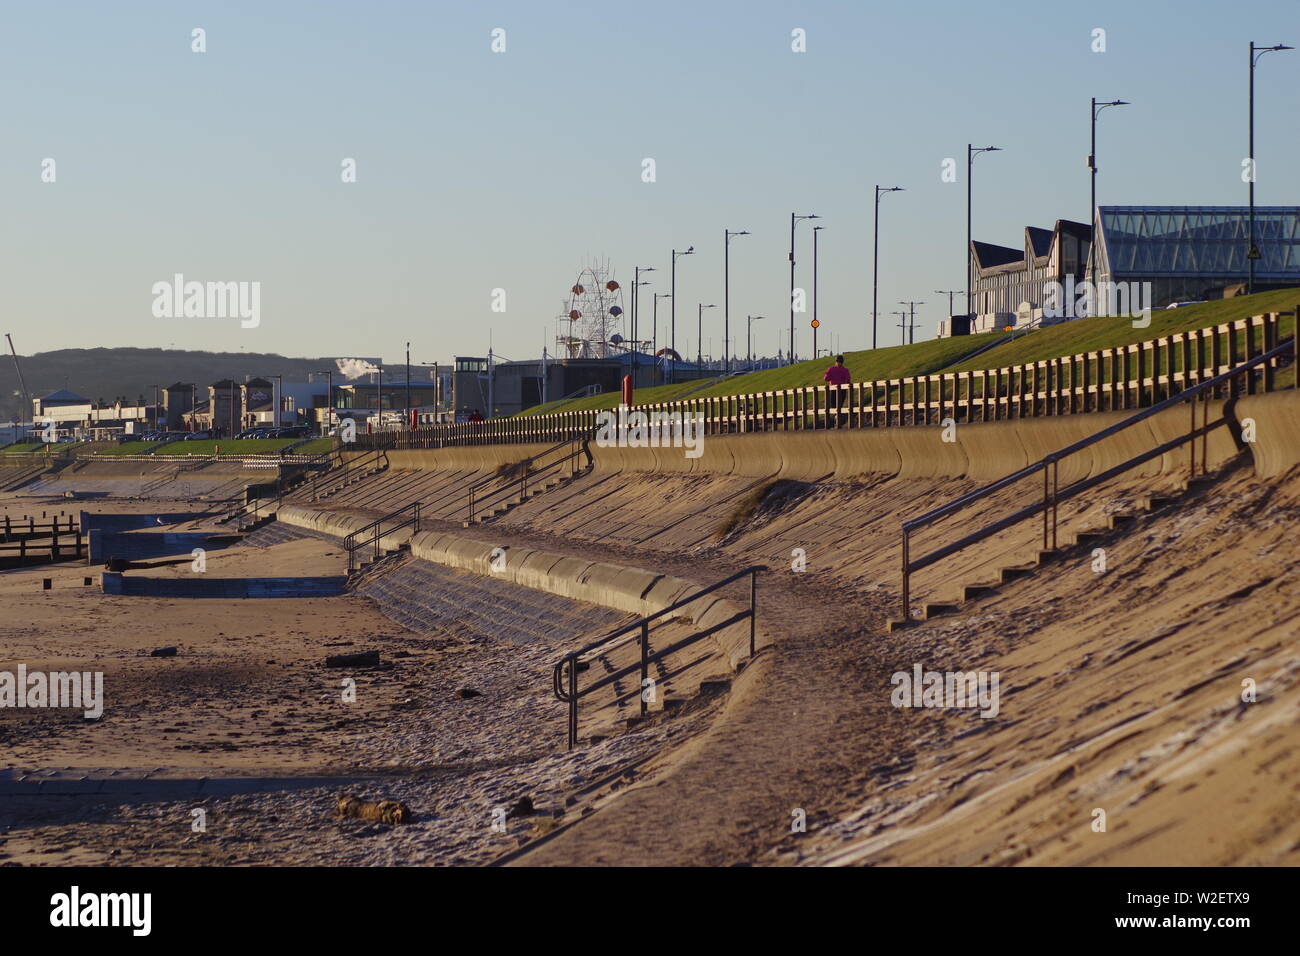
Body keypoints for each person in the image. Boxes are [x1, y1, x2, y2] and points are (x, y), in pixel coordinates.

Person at [824, 355, 851, 425]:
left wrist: (827, 373)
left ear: (836, 361)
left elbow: (826, 378)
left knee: (834, 406)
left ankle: (836, 420)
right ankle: (838, 420)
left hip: (833, 390)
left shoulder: (831, 369)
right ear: (843, 362)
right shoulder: (845, 370)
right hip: (842, 390)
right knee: (840, 406)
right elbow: (848, 380)